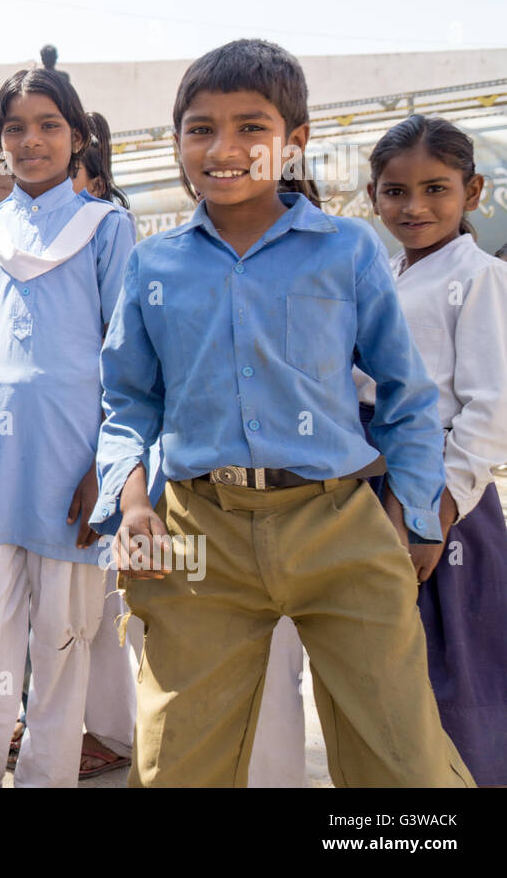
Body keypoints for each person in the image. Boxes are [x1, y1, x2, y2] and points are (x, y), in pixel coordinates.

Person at [97, 38, 474, 787]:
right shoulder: (153, 263)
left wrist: (414, 512)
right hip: (199, 534)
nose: (223, 147)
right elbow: (129, 400)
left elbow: (407, 394)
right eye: (200, 128)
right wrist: (132, 500)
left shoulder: (348, 251)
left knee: (401, 759)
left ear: (293, 141)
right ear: (178, 142)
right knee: (177, 760)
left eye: (251, 127)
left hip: (338, 525)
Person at [0, 68, 136, 787]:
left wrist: (105, 465)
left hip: (73, 466)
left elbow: (126, 354)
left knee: (62, 646)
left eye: (49, 125)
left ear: (78, 137)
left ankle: (45, 778)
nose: (32, 140)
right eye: (15, 128)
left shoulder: (106, 227)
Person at [358, 114, 507, 786]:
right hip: (374, 489)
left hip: (443, 502)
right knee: (392, 672)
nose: (414, 206)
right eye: (395, 191)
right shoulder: (385, 273)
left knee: (458, 668)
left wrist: (436, 508)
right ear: (373, 197)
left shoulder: (479, 277)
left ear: (473, 191)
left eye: (436, 189)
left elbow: (490, 406)